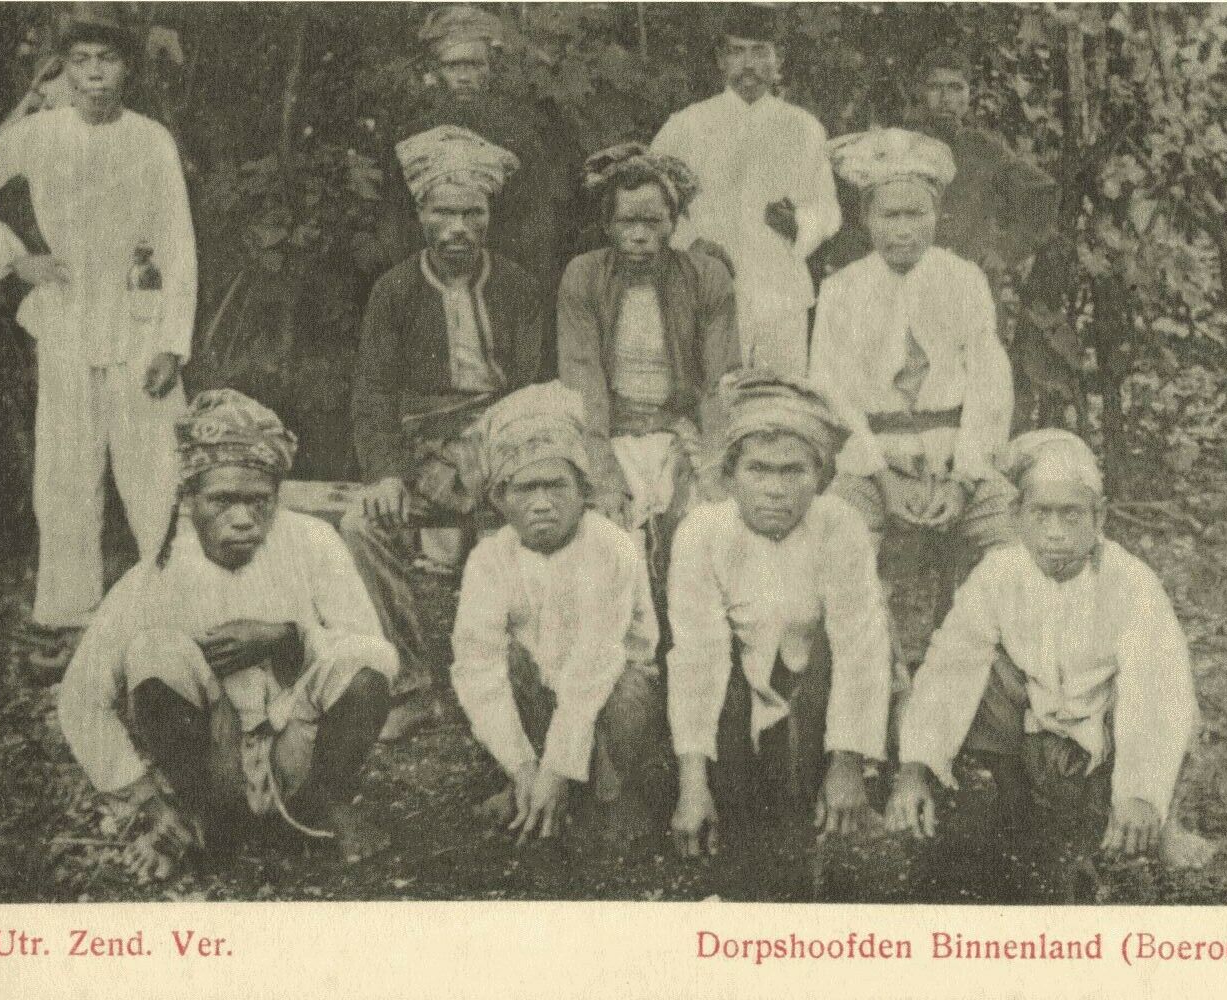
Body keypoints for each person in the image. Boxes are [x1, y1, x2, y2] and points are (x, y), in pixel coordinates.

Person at [57, 389, 398, 883]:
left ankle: (322, 807)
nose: (242, 518)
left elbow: (377, 658)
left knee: (362, 664)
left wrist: (288, 639)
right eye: (222, 500)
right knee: (155, 654)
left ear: (277, 498)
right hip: (215, 763)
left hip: (296, 743)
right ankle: (202, 820)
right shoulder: (158, 571)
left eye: (257, 501)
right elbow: (80, 700)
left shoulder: (313, 543)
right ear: (189, 500)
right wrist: (145, 800)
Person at [0, 19, 195, 649]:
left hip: (139, 311)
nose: (94, 73)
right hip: (68, 310)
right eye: (81, 61)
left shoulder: (151, 139)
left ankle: (178, 600)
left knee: (157, 459)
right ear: (65, 70)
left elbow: (178, 241)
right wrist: (13, 259)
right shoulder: (37, 133)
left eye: (106, 60)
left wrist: (172, 341)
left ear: (126, 69)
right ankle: (65, 612)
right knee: (66, 465)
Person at [887, 430, 1214, 881]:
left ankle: (1165, 821)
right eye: (1041, 514)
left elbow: (1155, 689)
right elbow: (951, 665)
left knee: (1176, 710)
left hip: (1107, 733)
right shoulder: (1000, 572)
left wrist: (1140, 793)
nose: (1055, 533)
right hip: (1037, 729)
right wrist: (915, 769)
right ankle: (1011, 811)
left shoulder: (1131, 582)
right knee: (973, 670)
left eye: (1071, 515)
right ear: (1017, 516)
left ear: (1098, 517)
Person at [342, 124, 547, 740]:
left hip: (498, 439)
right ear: (421, 215)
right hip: (416, 447)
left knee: (512, 529)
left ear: (489, 216)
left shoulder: (515, 285)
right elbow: (373, 392)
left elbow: (528, 390)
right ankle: (410, 685)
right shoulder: (395, 290)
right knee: (361, 526)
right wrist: (383, 472)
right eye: (443, 212)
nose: (458, 227)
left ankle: (512, 681)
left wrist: (490, 460)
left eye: (472, 212)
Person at [810, 127, 1016, 671]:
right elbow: (830, 390)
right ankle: (877, 680)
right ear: (866, 220)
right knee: (834, 542)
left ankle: (993, 683)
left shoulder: (964, 279)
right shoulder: (842, 289)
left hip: (957, 457)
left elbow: (990, 381)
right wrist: (881, 477)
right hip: (874, 461)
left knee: (1015, 551)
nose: (903, 231)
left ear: (937, 217)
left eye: (915, 215)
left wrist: (965, 477)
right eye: (889, 216)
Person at [667, 370, 890, 857]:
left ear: (821, 478)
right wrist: (692, 784)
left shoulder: (841, 526)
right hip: (738, 690)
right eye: (759, 470)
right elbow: (697, 658)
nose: (775, 489)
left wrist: (848, 762)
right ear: (729, 476)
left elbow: (860, 648)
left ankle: (838, 782)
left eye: (793, 472)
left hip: (816, 681)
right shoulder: (701, 534)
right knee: (742, 819)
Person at [450, 382, 663, 846]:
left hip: (605, 694)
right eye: (527, 489)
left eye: (556, 486)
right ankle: (520, 782)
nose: (542, 503)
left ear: (582, 489)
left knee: (628, 687)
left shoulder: (610, 547)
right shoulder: (489, 559)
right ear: (501, 498)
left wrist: (557, 768)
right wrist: (525, 766)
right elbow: (477, 666)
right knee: (505, 665)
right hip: (539, 696)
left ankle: (611, 792)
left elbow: (595, 663)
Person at [557, 143, 740, 577]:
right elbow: (581, 378)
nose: (639, 235)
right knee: (605, 535)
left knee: (708, 525)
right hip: (610, 432)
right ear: (607, 224)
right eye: (627, 222)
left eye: (653, 222)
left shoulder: (706, 276)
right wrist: (602, 471)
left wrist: (715, 462)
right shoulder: (583, 275)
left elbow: (721, 379)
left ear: (674, 223)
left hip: (680, 431)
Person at [649, 6, 840, 378]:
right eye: (737, 52)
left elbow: (827, 208)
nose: (748, 64)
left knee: (778, 406)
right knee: (713, 399)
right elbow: (651, 204)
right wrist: (690, 244)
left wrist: (800, 223)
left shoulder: (803, 128)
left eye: (759, 51)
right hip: (706, 289)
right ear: (721, 60)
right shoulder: (686, 126)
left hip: (780, 290)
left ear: (778, 59)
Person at [377, 5, 564, 287]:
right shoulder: (412, 136)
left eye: (474, 65)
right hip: (429, 278)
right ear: (437, 70)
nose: (463, 77)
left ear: (489, 68)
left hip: (501, 279)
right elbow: (397, 221)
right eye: (453, 65)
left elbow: (536, 226)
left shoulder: (518, 136)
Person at [905, 47, 1061, 278]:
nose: (946, 98)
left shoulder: (984, 149)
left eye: (956, 88)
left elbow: (1043, 193)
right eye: (935, 87)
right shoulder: (902, 145)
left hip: (969, 280)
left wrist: (1006, 250)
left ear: (969, 94)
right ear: (921, 92)